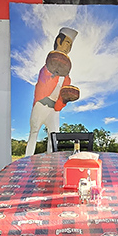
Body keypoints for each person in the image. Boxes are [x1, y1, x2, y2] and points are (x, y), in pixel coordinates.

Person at [25, 27, 80, 156]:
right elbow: (41, 86)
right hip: (41, 105)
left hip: (54, 109)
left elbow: (61, 97)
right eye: (66, 43)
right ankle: (26, 161)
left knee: (53, 137)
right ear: (59, 42)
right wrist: (53, 73)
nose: (68, 47)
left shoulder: (67, 78)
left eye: (70, 45)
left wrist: (65, 99)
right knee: (34, 133)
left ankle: (51, 161)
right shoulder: (46, 67)